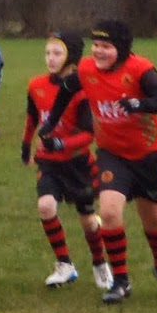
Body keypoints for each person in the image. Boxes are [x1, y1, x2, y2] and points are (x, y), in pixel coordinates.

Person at [38, 19, 157, 303]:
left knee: (152, 218)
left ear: (122, 48)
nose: (98, 52)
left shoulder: (140, 69)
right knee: (108, 212)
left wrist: (139, 104)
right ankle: (120, 281)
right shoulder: (86, 69)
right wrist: (52, 123)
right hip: (111, 153)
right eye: (95, 45)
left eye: (106, 46)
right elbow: (66, 91)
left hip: (145, 155)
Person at [21, 32, 110, 290]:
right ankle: (64, 265)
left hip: (77, 164)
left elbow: (88, 134)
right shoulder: (36, 85)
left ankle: (99, 264)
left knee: (88, 221)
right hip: (48, 162)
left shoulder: (81, 91)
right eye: (47, 52)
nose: (50, 58)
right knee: (46, 206)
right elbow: (32, 118)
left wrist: (61, 143)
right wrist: (27, 145)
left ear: (71, 57)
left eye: (57, 53)